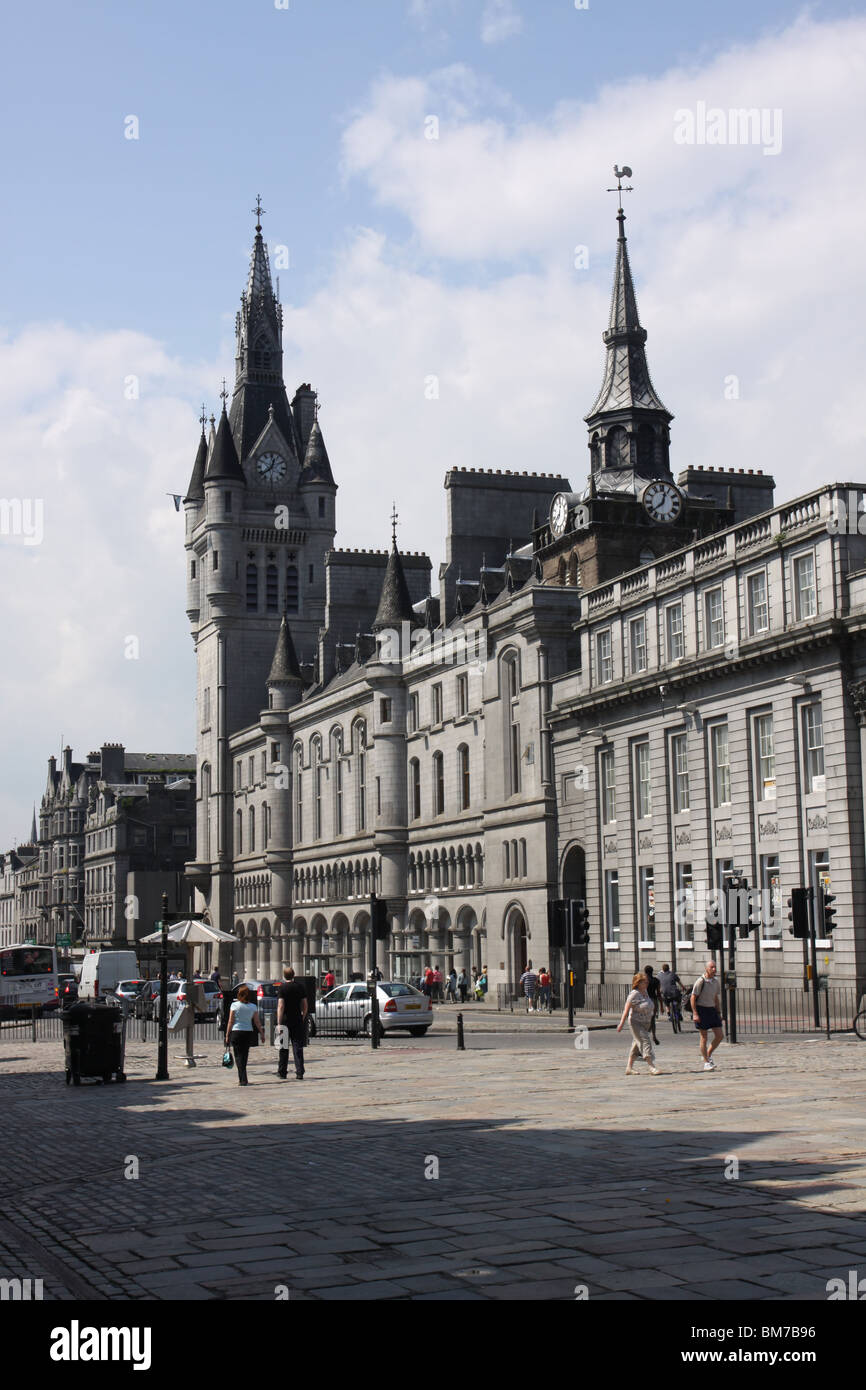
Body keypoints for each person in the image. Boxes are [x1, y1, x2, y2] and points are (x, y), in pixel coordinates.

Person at [616, 972, 661, 1075]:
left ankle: (629, 1068)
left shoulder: (645, 991)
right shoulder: (634, 993)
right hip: (636, 1022)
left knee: (636, 1045)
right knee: (645, 1042)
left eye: (647, 982)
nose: (647, 983)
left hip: (646, 1022)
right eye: (645, 982)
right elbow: (626, 1009)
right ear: (638, 983)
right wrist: (621, 1023)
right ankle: (651, 1066)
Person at [225, 984, 264, 1085]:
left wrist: (227, 1034)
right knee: (244, 1055)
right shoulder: (253, 1007)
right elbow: (257, 1022)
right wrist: (262, 1033)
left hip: (236, 1031)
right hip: (248, 1032)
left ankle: (242, 1078)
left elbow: (230, 1021)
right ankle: (243, 1077)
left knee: (238, 1055)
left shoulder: (234, 1005)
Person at [691, 961, 724, 1071]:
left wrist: (719, 1012)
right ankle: (706, 1062)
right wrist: (695, 1013)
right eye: (711, 967)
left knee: (719, 1035)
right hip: (702, 1009)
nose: (714, 969)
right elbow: (693, 997)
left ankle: (707, 1054)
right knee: (704, 1037)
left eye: (715, 967)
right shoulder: (700, 981)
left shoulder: (716, 982)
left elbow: (715, 998)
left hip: (712, 1009)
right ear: (706, 968)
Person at [276, 967, 308, 1081]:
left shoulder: (282, 987)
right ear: (293, 975)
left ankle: (282, 1071)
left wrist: (279, 1022)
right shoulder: (300, 987)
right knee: (297, 1046)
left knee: (283, 1047)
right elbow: (305, 1005)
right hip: (297, 1020)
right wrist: (302, 1016)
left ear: (284, 975)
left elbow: (281, 1006)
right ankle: (299, 1071)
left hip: (285, 1020)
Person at [644, 964, 662, 1045]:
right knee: (652, 1020)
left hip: (646, 1001)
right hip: (654, 1001)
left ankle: (645, 1036)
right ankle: (654, 1035)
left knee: (644, 1020)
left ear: (645, 972)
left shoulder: (644, 980)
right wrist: (661, 1005)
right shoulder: (656, 980)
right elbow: (658, 993)